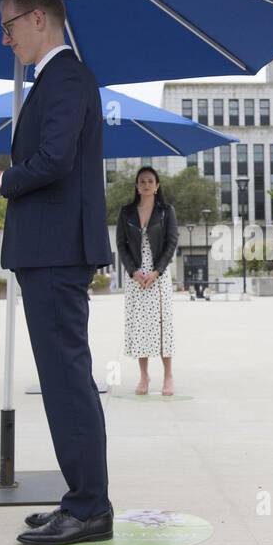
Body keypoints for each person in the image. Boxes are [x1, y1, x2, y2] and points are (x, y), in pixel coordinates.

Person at [0, 0, 114, 545]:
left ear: (37, 19)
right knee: (60, 379)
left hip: (56, 251)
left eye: (8, 27)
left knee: (66, 379)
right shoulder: (55, 80)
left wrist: (0, 179)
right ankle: (82, 497)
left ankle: (89, 508)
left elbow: (54, 160)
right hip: (49, 249)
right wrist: (3, 180)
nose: (4, 39)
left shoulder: (68, 77)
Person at [117, 167, 178, 395]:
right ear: (136, 186)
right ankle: (144, 375)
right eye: (141, 181)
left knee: (162, 325)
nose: (146, 184)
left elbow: (171, 243)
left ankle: (168, 375)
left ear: (157, 186)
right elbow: (121, 245)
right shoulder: (126, 213)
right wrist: (133, 271)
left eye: (150, 181)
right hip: (136, 276)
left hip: (158, 276)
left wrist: (157, 271)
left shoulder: (166, 211)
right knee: (141, 326)